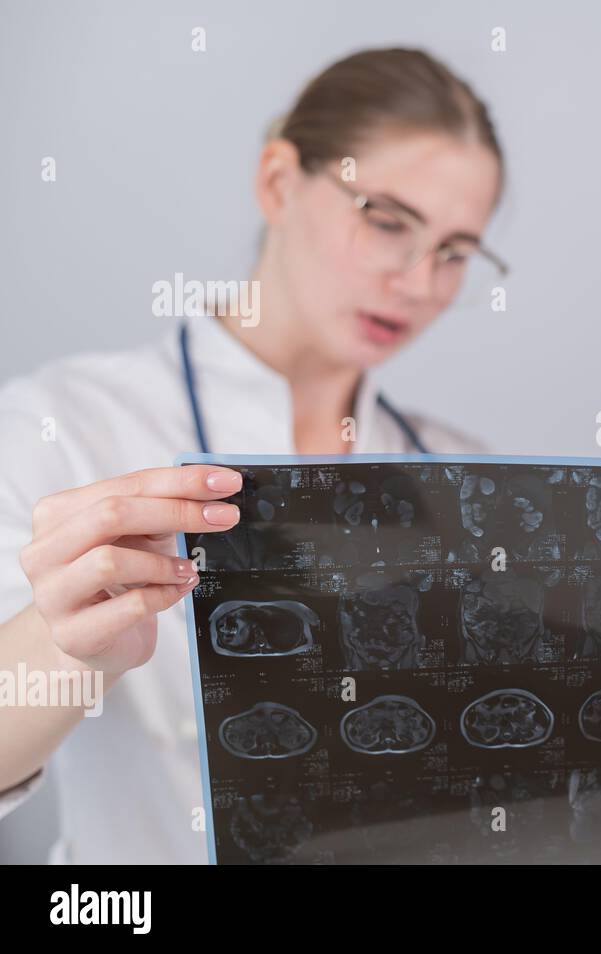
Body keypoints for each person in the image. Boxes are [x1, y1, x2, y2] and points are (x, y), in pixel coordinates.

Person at [0, 47, 507, 863]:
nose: (419, 280)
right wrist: (64, 649)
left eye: (454, 251)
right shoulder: (68, 425)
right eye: (387, 221)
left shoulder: (465, 479)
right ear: (278, 182)